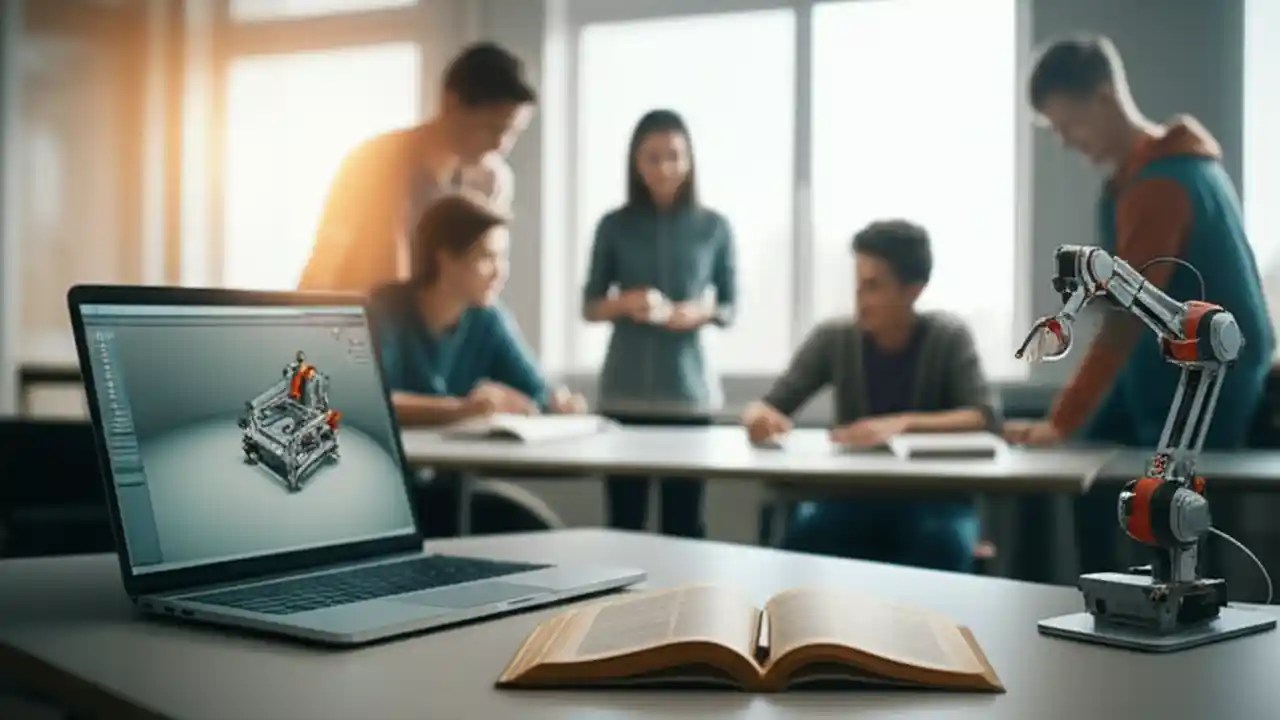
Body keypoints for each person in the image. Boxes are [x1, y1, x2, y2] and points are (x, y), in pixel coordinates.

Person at [1005, 36, 1274, 572]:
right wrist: (1067, 426)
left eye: (1067, 125)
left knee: (1168, 520)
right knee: (1083, 473)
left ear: (1102, 99)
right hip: (1153, 378)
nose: (1066, 142)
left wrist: (1061, 422)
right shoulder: (1152, 177)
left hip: (1202, 382)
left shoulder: (1162, 185)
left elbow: (1125, 319)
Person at [742, 220, 998, 572]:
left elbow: (984, 416)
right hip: (851, 497)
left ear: (913, 290)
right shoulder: (834, 338)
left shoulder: (948, 337)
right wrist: (757, 419)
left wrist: (900, 425)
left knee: (942, 546)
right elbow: (770, 404)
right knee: (801, 547)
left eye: (873, 286)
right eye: (858, 285)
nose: (860, 299)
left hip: (935, 500)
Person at [370, 193, 586, 535]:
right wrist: (462, 409)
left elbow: (535, 390)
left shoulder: (488, 319)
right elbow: (377, 401)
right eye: (487, 257)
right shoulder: (384, 310)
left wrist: (559, 403)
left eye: (503, 257)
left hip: (450, 485)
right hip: (385, 492)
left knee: (539, 530)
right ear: (445, 258)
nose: (499, 271)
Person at [581, 109, 737, 538]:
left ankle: (683, 607)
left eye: (674, 155)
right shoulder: (613, 226)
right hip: (623, 395)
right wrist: (626, 302)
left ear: (690, 160)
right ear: (635, 161)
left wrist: (699, 312)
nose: (664, 167)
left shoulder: (714, 227)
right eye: (652, 157)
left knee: (685, 525)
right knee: (623, 524)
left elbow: (729, 305)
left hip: (688, 397)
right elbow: (590, 306)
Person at [299, 42, 536, 294]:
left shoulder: (493, 180)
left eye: (512, 133)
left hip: (437, 328)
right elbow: (327, 257)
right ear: (451, 103)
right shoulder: (375, 161)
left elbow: (481, 272)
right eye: (490, 128)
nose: (500, 145)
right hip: (366, 317)